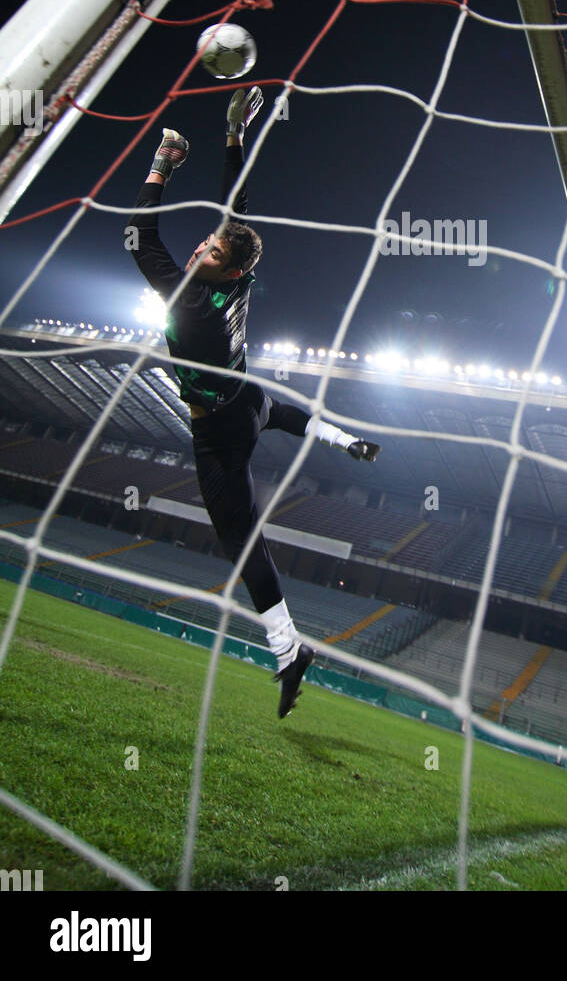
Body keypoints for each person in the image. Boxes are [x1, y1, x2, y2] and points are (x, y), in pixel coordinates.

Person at [125, 86, 380, 717]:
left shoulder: (186, 297)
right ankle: (345, 439)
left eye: (208, 251)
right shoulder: (241, 274)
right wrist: (233, 134)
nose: (198, 249)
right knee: (283, 415)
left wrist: (164, 166)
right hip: (246, 399)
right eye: (206, 244)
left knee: (241, 539)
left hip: (220, 431)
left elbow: (137, 234)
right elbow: (234, 214)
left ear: (227, 270)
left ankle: (289, 648)